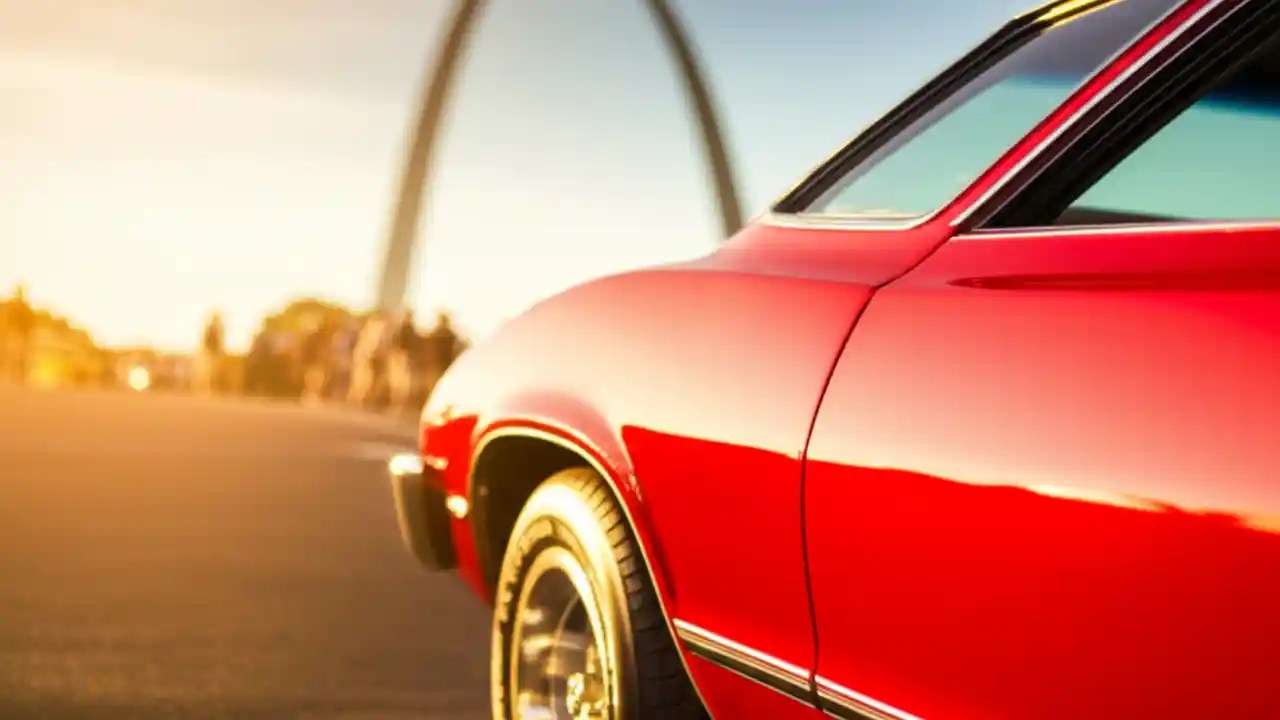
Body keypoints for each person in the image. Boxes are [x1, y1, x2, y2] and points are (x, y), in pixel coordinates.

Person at [347, 313, 387, 408]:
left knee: (367, 379)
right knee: (367, 379)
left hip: (371, 358)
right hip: (371, 357)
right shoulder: (376, 330)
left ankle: (363, 398)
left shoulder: (370, 330)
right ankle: (363, 398)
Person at [387, 310, 419, 414]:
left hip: (404, 358)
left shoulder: (408, 329)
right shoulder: (405, 329)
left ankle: (399, 407)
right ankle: (397, 406)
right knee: (397, 383)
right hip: (400, 357)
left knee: (402, 383)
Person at [3, 285, 35, 384]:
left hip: (22, 334)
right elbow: (9, 319)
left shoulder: (25, 306)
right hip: (14, 333)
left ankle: (21, 377)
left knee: (22, 356)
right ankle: (11, 375)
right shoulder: (14, 305)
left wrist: (27, 332)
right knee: (12, 354)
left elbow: (29, 320)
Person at [195, 312, 225, 395]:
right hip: (211, 352)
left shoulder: (218, 329)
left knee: (214, 372)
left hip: (214, 352)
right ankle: (208, 389)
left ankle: (212, 388)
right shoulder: (212, 328)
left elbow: (219, 341)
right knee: (210, 372)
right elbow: (207, 340)